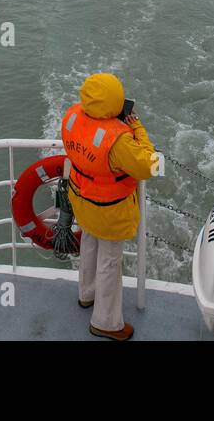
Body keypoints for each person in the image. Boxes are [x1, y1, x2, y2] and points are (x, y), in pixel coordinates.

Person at [60, 72, 156, 340]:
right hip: (110, 210)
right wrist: (135, 126)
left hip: (81, 199)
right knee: (110, 262)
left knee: (89, 245)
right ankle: (105, 322)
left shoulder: (71, 117)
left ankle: (86, 295)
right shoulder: (118, 139)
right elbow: (150, 165)